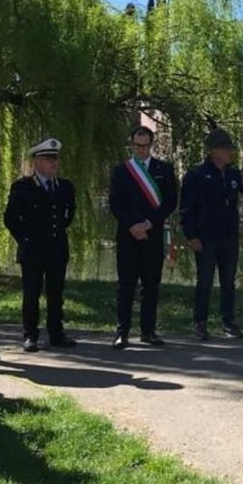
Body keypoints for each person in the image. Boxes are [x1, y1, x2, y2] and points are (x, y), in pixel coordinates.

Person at [3, 138, 77, 352]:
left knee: (56, 294)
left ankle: (56, 333)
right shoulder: (22, 187)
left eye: (56, 159)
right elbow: (10, 219)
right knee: (31, 294)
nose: (54, 163)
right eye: (48, 159)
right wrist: (25, 239)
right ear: (36, 162)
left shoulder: (65, 187)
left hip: (57, 248)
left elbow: (68, 215)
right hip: (32, 250)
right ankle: (30, 335)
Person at [109, 125, 178, 349]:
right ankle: (122, 332)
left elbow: (170, 201)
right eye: (137, 146)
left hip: (153, 234)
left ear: (151, 145)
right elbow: (115, 203)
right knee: (126, 285)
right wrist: (132, 225)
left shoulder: (164, 169)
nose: (140, 150)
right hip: (128, 235)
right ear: (132, 145)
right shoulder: (121, 170)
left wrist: (149, 224)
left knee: (151, 285)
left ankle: (148, 331)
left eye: (145, 146)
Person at [179, 128, 243, 341]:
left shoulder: (233, 174)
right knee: (205, 281)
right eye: (227, 149)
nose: (231, 153)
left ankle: (229, 322)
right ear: (214, 151)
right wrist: (191, 236)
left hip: (229, 236)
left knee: (228, 281)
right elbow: (186, 208)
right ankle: (200, 322)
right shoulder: (197, 175)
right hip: (205, 238)